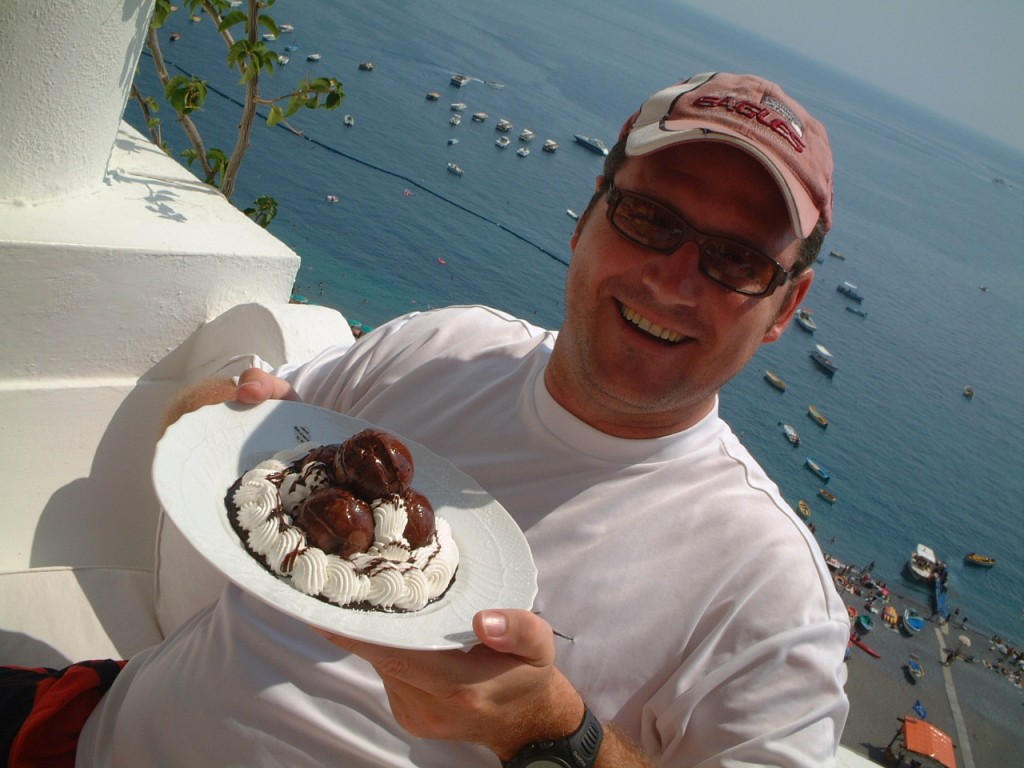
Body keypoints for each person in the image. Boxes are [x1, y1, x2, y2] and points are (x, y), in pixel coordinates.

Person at [19, 72, 852, 767]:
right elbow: (198, 425)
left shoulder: (770, 595)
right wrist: (229, 419)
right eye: (651, 220)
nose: (674, 282)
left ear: (786, 307)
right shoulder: (444, 347)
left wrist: (553, 733)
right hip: (83, 733)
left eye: (737, 260)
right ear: (591, 213)